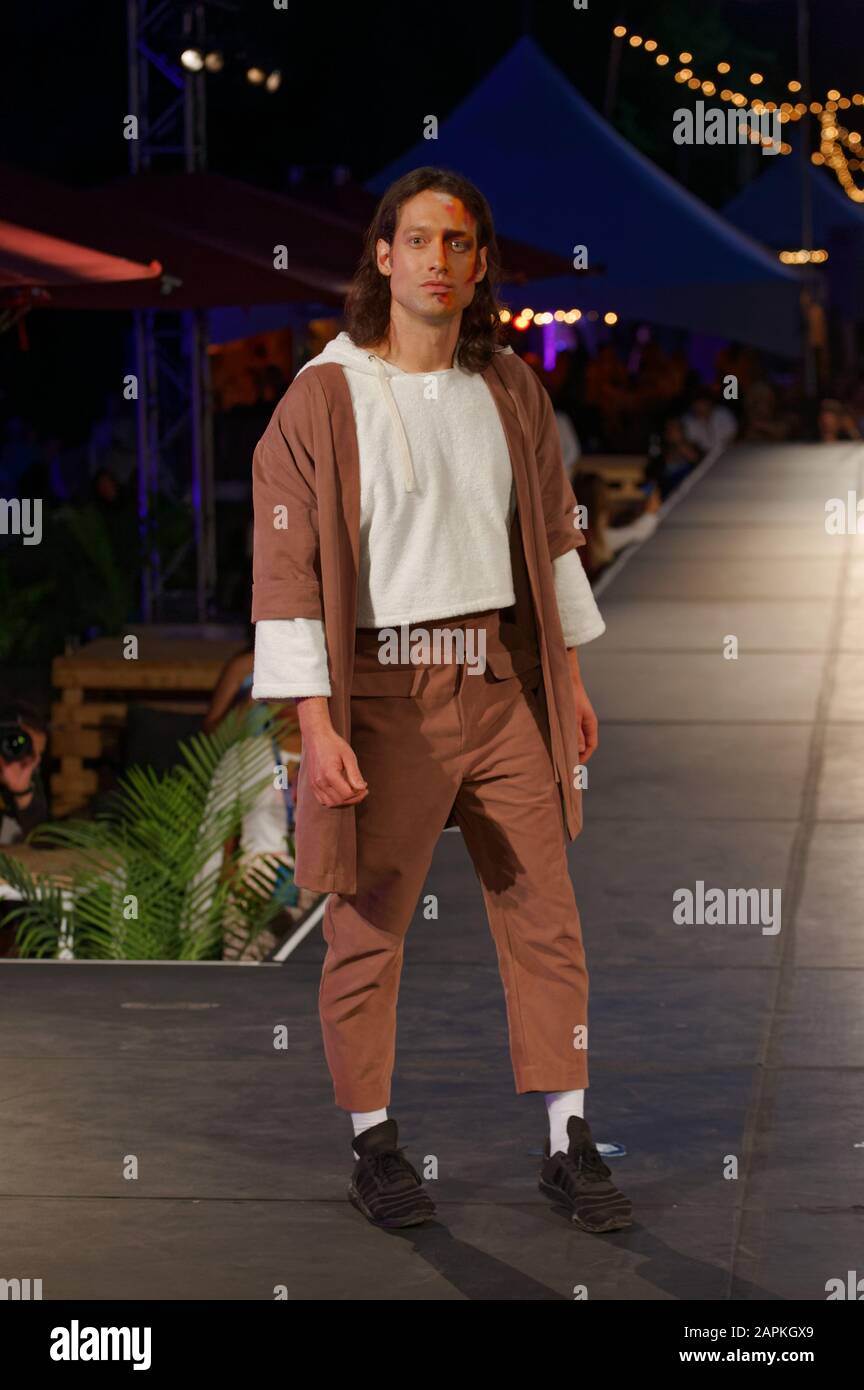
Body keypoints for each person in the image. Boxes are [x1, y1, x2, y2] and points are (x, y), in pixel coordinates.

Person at [251, 166, 632, 1234]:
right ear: (383, 255)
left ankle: (568, 1139)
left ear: (478, 264)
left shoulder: (509, 384)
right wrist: (314, 724)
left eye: (458, 244)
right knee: (369, 925)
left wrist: (569, 678)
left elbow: (552, 535)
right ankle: (374, 1140)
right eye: (417, 241)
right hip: (382, 692)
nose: (437, 261)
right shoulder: (323, 397)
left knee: (547, 913)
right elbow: (287, 581)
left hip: (500, 682)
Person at [0, 701, 49, 847]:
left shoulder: (25, 776)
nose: (33, 761)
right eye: (18, 746)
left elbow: (45, 842)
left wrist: (22, 793)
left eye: (38, 754)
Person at [681, 386, 738, 455]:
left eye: (703, 403)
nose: (700, 406)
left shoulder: (723, 413)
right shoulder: (689, 421)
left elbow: (732, 437)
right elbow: (694, 445)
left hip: (728, 454)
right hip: (705, 459)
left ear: (709, 402)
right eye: (697, 404)